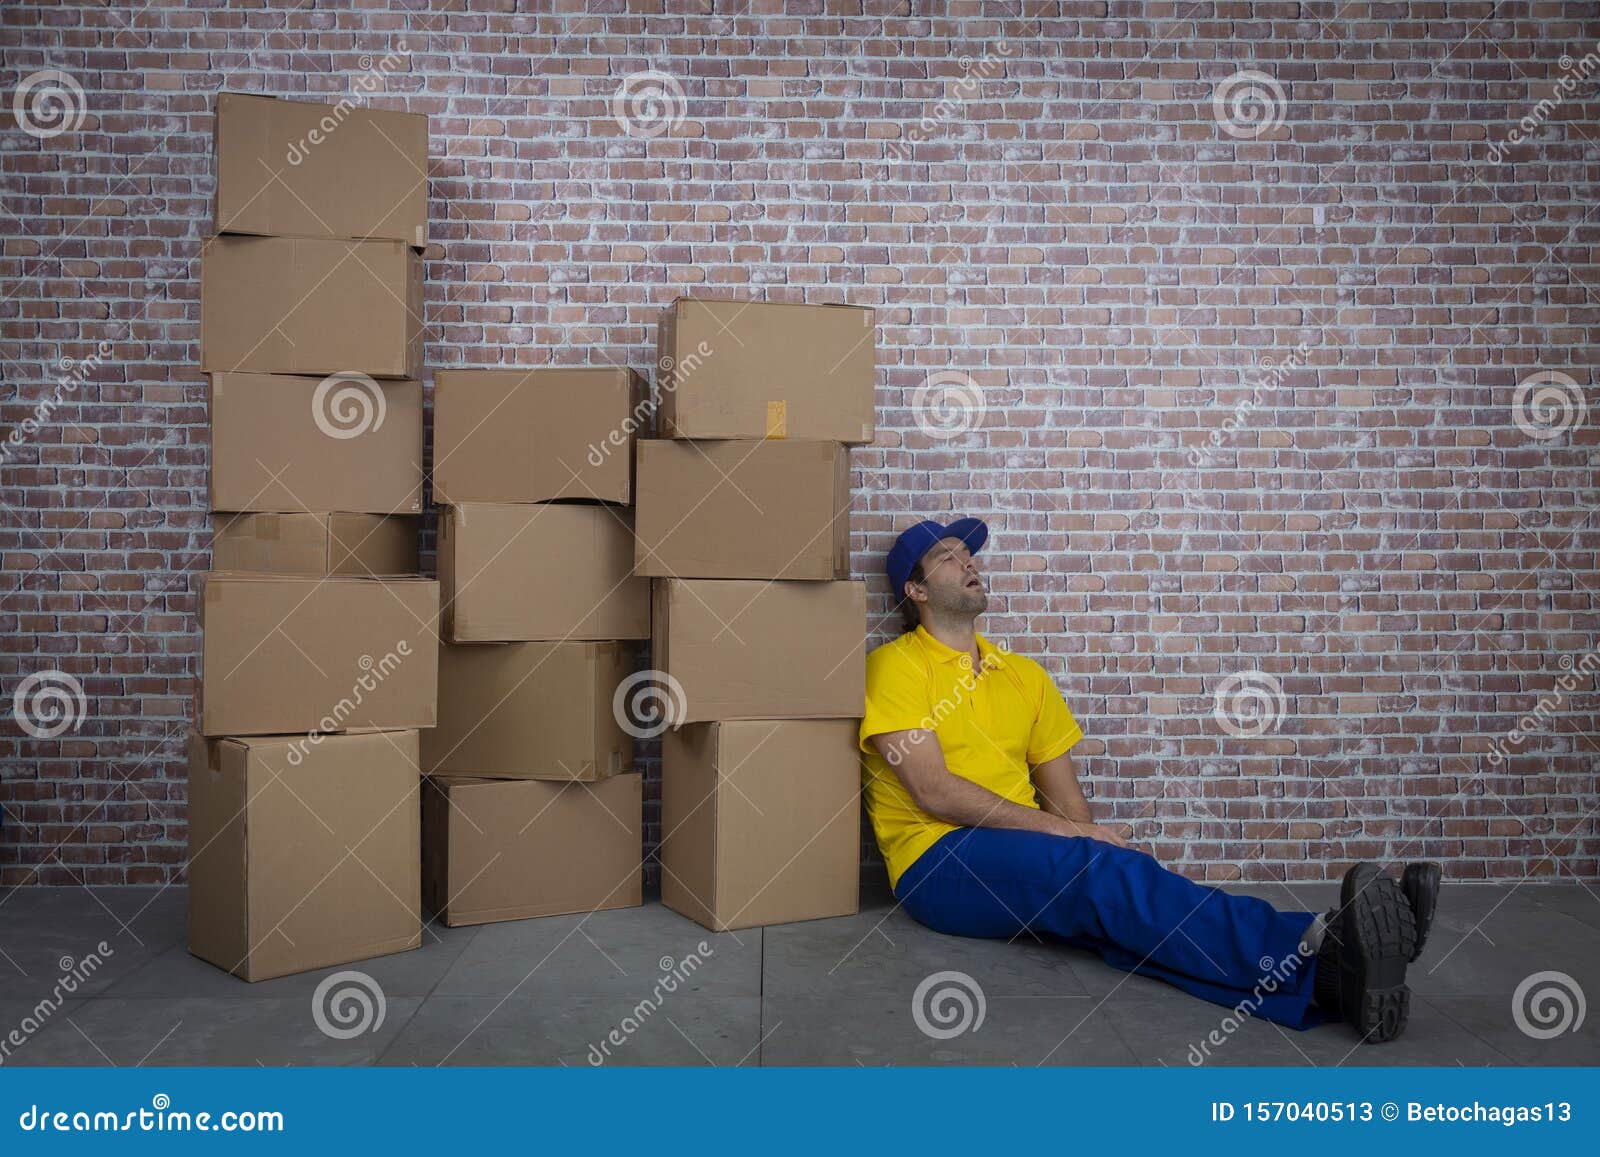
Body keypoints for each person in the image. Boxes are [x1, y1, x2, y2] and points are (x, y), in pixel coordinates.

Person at [860, 517, 1442, 1042]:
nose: (968, 563)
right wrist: (1075, 846)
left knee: (1114, 914)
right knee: (1099, 875)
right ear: (914, 591)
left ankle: (1333, 980)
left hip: (1022, 849)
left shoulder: (1025, 676)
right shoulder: (895, 667)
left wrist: (1090, 846)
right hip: (934, 863)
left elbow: (1068, 808)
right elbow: (933, 792)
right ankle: (1324, 947)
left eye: (969, 554)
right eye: (947, 557)